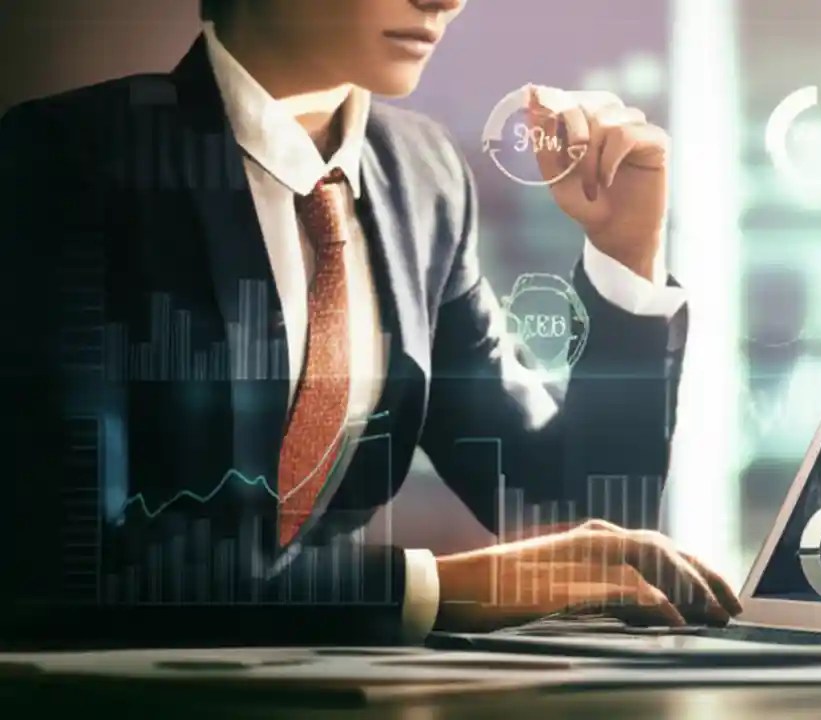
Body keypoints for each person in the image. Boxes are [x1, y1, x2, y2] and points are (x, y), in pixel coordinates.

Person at [0, 0, 741, 644]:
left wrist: (625, 259)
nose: (445, 0)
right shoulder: (68, 159)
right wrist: (439, 591)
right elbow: (70, 557)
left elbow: (576, 518)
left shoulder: (422, 175)